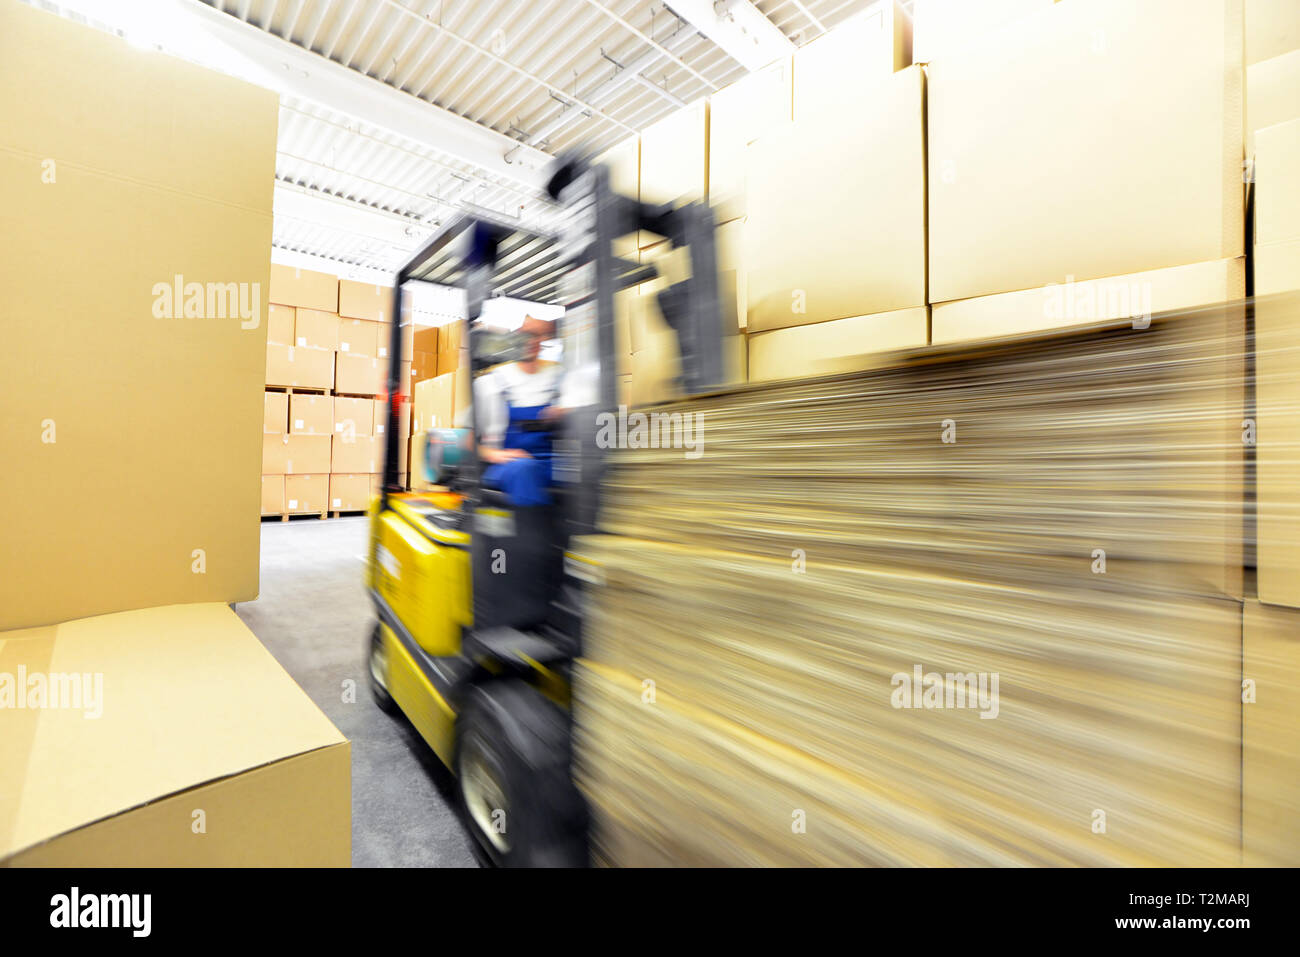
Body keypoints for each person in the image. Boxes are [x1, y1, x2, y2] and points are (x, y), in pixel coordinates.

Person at [473, 315, 569, 506]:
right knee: (524, 470)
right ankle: (535, 532)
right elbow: (466, 440)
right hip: (507, 465)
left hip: (552, 462)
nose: (532, 341)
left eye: (539, 335)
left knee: (587, 470)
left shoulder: (560, 377)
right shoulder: (490, 383)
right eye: (527, 334)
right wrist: (494, 454)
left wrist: (565, 411)